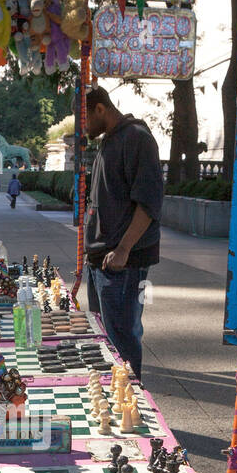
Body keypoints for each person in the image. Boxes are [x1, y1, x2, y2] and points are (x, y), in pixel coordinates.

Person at [83, 85, 163, 382]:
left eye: (85, 120)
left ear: (100, 109)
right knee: (105, 338)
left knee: (122, 338)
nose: (83, 128)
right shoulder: (108, 141)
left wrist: (124, 249)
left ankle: (130, 401)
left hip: (122, 262)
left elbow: (149, 202)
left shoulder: (137, 139)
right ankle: (116, 396)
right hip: (101, 259)